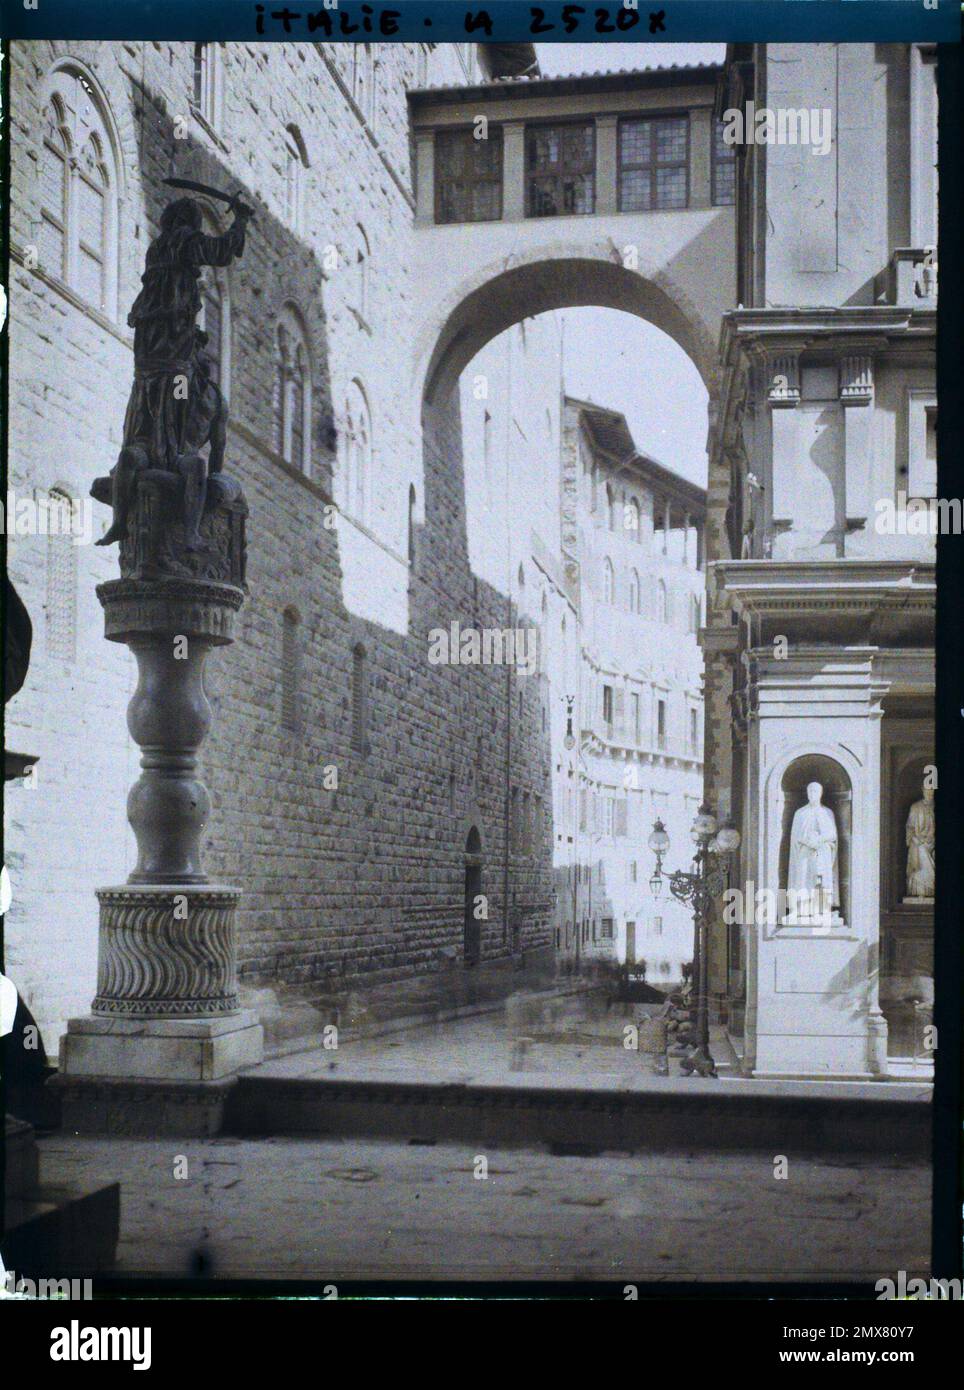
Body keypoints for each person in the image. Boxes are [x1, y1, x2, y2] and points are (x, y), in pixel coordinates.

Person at [98, 194, 253, 550]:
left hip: (149, 355)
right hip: (172, 351)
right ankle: (186, 518)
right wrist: (240, 220)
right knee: (179, 388)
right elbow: (221, 252)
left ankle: (122, 520)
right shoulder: (184, 241)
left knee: (150, 395)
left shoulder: (158, 249)